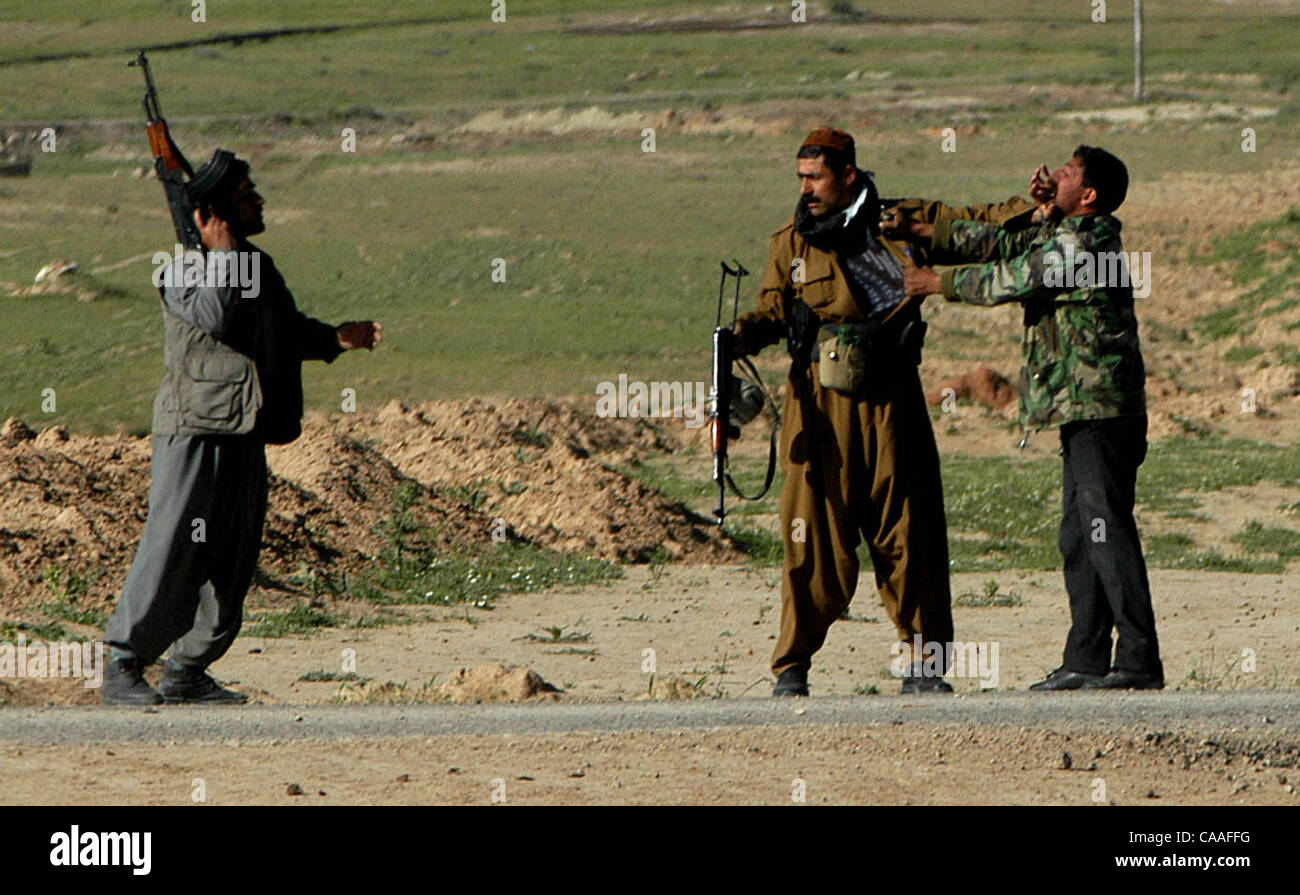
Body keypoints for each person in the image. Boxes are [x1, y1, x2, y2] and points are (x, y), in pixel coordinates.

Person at [732, 127, 1030, 696]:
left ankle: (924, 663)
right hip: (818, 404)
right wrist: (743, 334)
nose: (806, 190)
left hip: (892, 399)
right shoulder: (791, 243)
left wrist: (1036, 206)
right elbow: (772, 310)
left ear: (847, 176)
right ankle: (792, 665)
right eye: (800, 178)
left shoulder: (902, 222)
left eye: (815, 177)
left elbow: (981, 223)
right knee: (811, 535)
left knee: (910, 529)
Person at [101, 149, 383, 705]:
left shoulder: (258, 265)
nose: (259, 200)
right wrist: (224, 253)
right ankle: (122, 664)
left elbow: (279, 330)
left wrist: (334, 339)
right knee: (172, 544)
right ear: (213, 214)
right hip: (195, 428)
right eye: (246, 194)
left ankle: (186, 669)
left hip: (247, 426)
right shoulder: (181, 268)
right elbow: (218, 316)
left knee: (232, 557)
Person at [897, 146, 1163, 690]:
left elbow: (1015, 275)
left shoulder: (1087, 244)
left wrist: (937, 284)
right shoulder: (1063, 232)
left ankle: (1138, 659)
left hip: (1100, 412)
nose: (1053, 175)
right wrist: (929, 233)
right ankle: (1085, 658)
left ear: (1088, 196)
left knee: (1105, 531)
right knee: (1078, 535)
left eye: (1068, 174)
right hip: (1079, 410)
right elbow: (1008, 241)